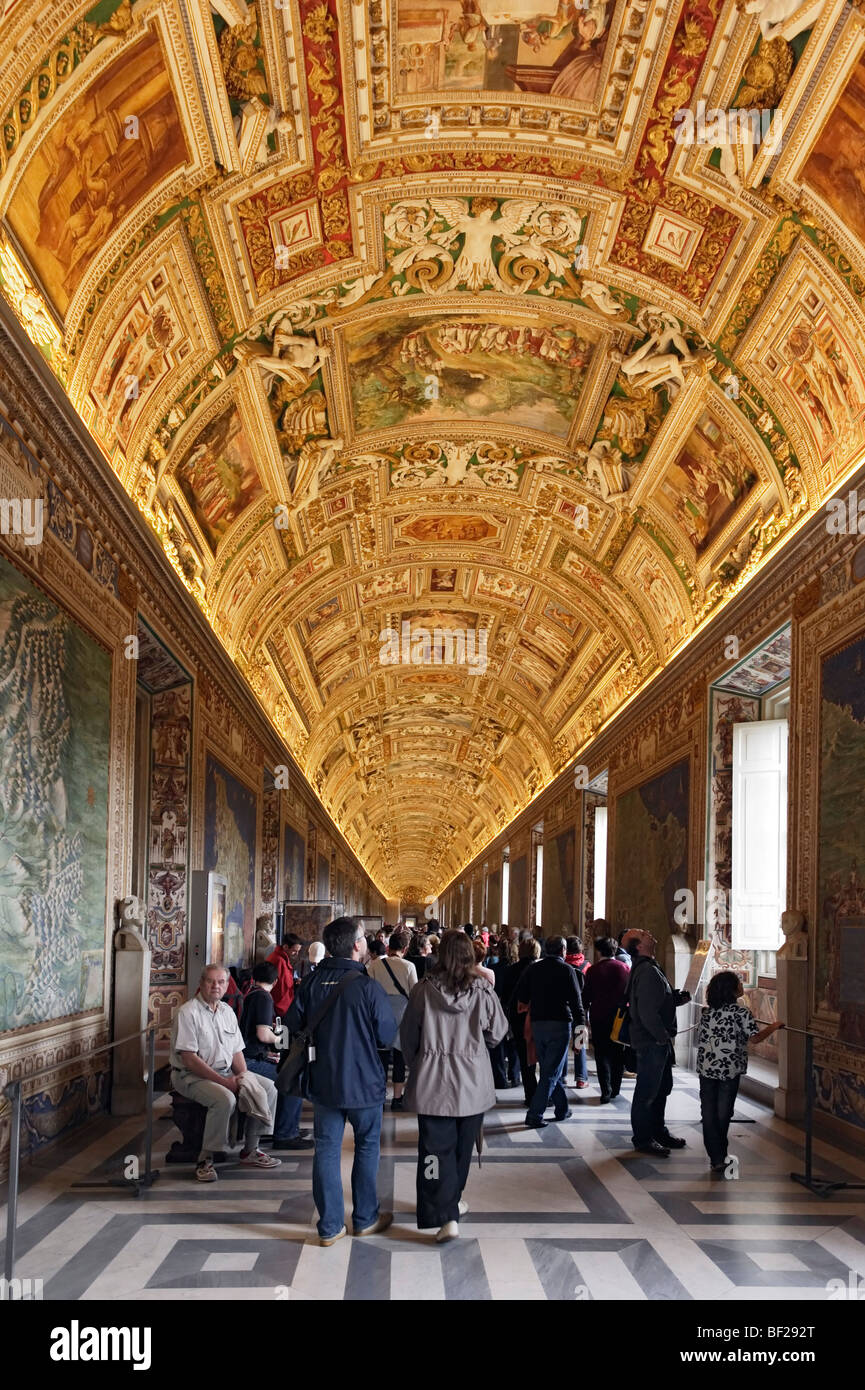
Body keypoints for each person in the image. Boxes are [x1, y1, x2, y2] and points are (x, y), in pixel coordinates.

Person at [287, 917, 397, 1245]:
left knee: (327, 1150)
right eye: (362, 938)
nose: (364, 942)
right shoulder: (367, 987)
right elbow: (387, 1035)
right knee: (366, 1148)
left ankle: (330, 1225)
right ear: (355, 945)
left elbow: (292, 1023)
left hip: (324, 1082)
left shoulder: (309, 983)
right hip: (364, 1084)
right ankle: (365, 1218)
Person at [400, 930, 508, 1242]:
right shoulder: (483, 990)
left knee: (435, 1152)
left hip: (433, 1081)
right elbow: (498, 1032)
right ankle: (451, 1203)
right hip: (472, 1081)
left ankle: (445, 1213)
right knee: (462, 1149)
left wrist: (418, 1063)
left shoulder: (423, 990)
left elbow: (408, 1035)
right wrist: (477, 1046)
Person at [170, 963, 282, 1182]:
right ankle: (206, 1159)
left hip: (224, 1070)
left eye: (221, 982)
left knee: (268, 1087)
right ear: (201, 983)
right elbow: (189, 1059)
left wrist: (244, 1077)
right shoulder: (188, 1012)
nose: (216, 986)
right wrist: (224, 1082)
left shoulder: (226, 1011)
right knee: (225, 1099)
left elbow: (236, 1051)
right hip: (190, 1076)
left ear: (227, 985)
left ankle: (250, 1149)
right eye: (210, 981)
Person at [697, 971, 784, 1174]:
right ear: (732, 989)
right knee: (723, 1113)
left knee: (708, 1113)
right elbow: (754, 1038)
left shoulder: (707, 1013)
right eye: (739, 983)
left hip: (707, 1069)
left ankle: (716, 1157)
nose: (742, 986)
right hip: (729, 1070)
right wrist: (774, 1026)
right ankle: (720, 1156)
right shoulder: (740, 1013)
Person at [628, 930, 691, 1156]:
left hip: (656, 1040)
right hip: (652, 1041)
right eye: (644, 934)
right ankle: (644, 1138)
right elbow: (646, 1011)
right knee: (647, 1092)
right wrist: (661, 1036)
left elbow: (657, 1001)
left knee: (661, 1089)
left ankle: (658, 1131)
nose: (649, 933)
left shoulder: (649, 967)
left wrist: (675, 999)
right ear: (639, 946)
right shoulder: (646, 971)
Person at [239, 962, 313, 1149]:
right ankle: (285, 1134)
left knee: (287, 1073)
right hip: (250, 1060)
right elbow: (262, 1034)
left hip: (247, 1056)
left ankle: (283, 1127)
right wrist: (281, 1042)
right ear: (277, 980)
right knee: (292, 1079)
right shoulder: (264, 998)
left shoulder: (251, 994)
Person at [516, 936, 586, 1129]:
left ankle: (562, 1109)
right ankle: (535, 1114)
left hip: (538, 1023)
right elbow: (577, 1005)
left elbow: (521, 996)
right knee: (551, 1071)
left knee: (549, 1068)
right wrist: (580, 1036)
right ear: (563, 950)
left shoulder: (533, 968)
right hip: (560, 1025)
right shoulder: (568, 970)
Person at [368, 928, 418, 1111]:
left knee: (380, 1057)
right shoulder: (408, 966)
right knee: (399, 1058)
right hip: (402, 1014)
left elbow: (370, 991)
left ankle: (379, 1097)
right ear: (404, 949)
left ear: (389, 947)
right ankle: (397, 1098)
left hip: (381, 1013)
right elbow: (414, 992)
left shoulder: (374, 965)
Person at [582, 937, 630, 1103]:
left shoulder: (593, 970)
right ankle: (616, 1087)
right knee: (618, 1052)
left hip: (599, 1016)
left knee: (601, 1053)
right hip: (619, 1017)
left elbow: (586, 996)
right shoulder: (624, 968)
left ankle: (606, 1090)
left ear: (599, 951)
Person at [502, 937, 540, 1103]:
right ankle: (545, 1094)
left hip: (518, 1018)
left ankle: (530, 1094)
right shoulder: (540, 969)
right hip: (539, 1017)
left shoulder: (511, 970)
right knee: (542, 1057)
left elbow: (505, 995)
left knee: (525, 1058)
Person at [565, 934, 590, 1088]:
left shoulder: (563, 965)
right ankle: (581, 1078)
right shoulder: (587, 966)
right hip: (582, 1009)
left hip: (565, 1008)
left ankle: (562, 1076)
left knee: (563, 1044)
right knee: (580, 1042)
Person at [266, 933, 303, 1018]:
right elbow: (279, 990)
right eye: (294, 951)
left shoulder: (282, 959)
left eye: (298, 951)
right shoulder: (279, 961)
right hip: (280, 1010)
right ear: (286, 947)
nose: (296, 954)